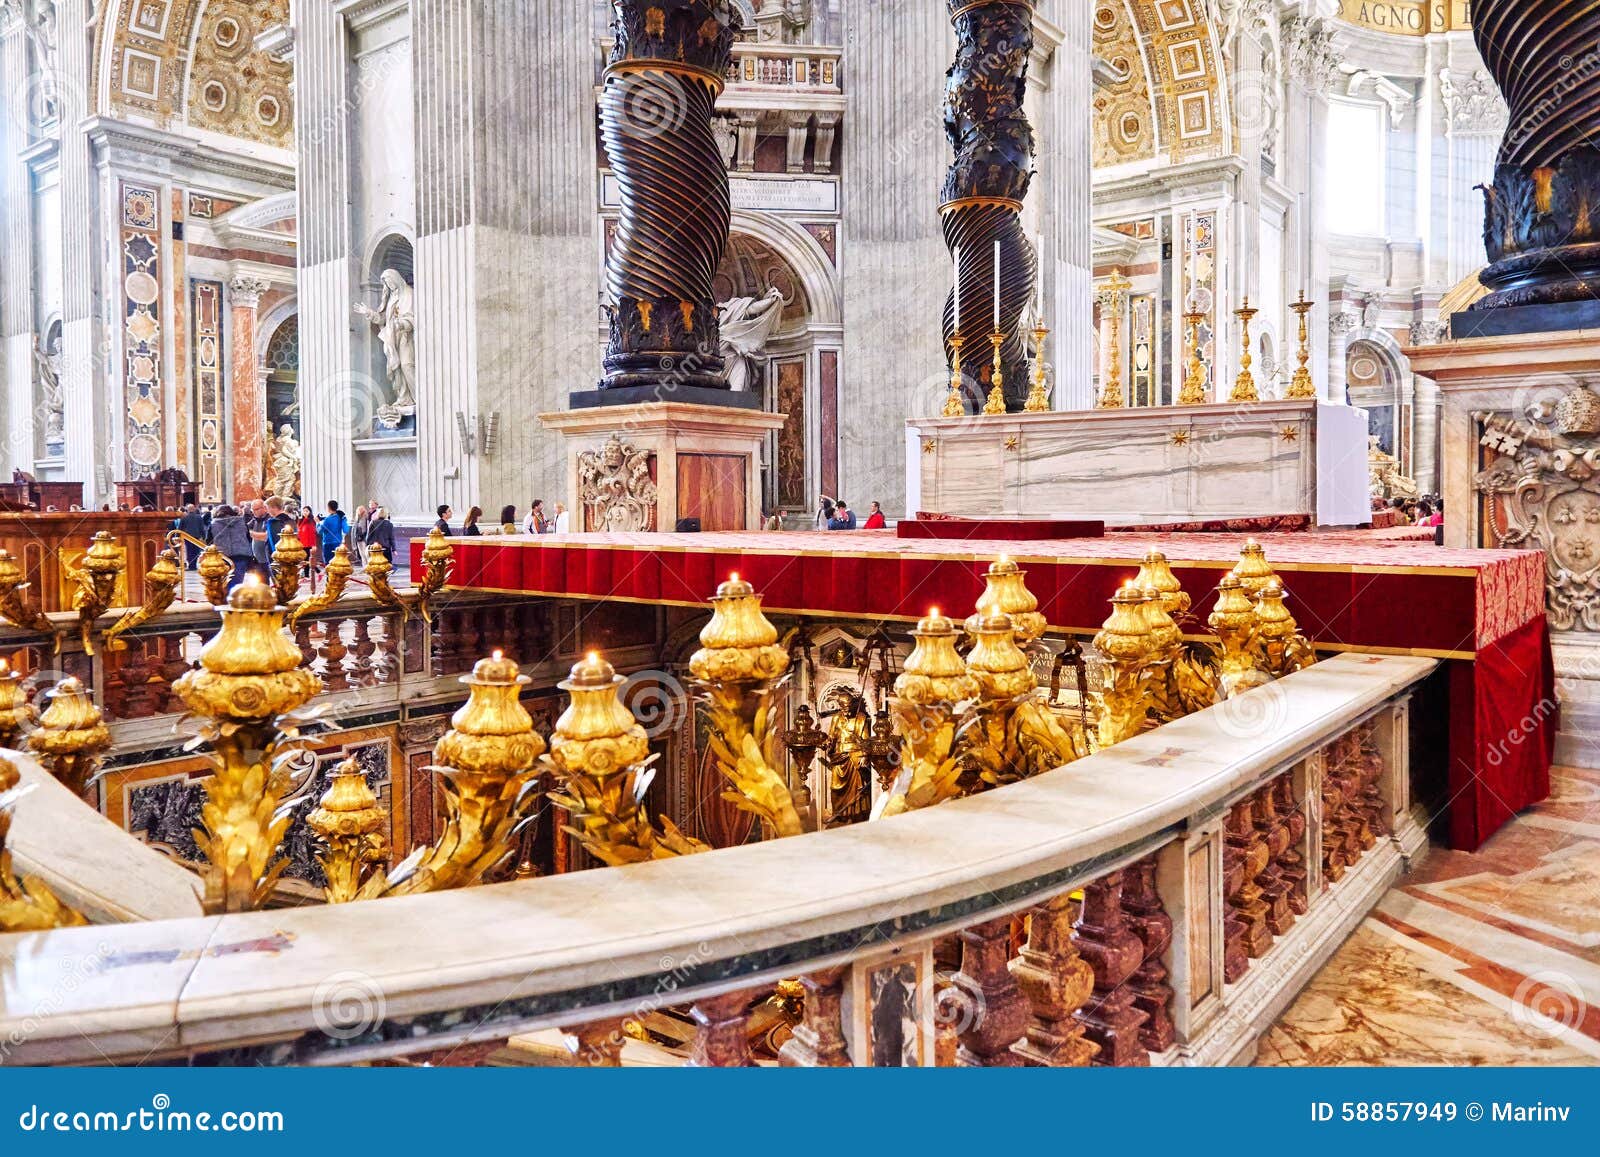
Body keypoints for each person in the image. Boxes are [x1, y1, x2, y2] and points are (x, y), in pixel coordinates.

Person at [209, 504, 254, 587]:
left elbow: (208, 541)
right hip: (241, 554)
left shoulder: (213, 524)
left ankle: (226, 598)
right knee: (237, 581)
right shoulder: (241, 522)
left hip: (222, 556)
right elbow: (248, 537)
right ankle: (233, 597)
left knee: (223, 582)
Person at [176, 503, 207, 568]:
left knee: (189, 551)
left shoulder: (184, 517)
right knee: (196, 551)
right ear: (194, 509)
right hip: (196, 536)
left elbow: (180, 528)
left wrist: (177, 536)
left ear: (187, 509)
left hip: (187, 537)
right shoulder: (199, 517)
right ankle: (194, 565)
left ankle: (191, 565)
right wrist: (204, 536)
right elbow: (202, 528)